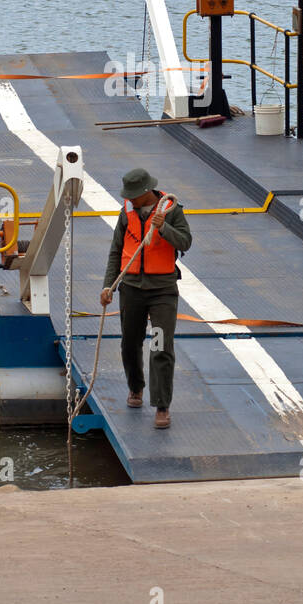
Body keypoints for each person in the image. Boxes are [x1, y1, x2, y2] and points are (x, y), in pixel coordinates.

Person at [100, 168, 191, 430]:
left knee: (160, 346)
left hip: (162, 290)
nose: (130, 200)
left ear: (145, 193)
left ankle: (162, 405)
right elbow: (116, 251)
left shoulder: (171, 210)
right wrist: (108, 286)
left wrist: (164, 229)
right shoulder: (126, 212)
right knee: (130, 342)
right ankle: (135, 388)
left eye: (133, 196)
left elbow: (185, 242)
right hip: (130, 289)